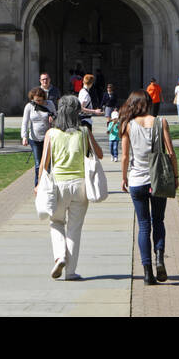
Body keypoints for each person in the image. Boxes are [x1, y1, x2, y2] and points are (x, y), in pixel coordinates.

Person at [37, 94, 104, 281]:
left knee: (56, 222)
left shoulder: (51, 134)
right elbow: (99, 154)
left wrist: (38, 184)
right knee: (75, 228)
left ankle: (60, 256)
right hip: (80, 186)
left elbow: (44, 163)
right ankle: (71, 271)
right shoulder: (83, 132)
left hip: (58, 184)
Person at [119, 89, 179, 286]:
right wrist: (175, 176)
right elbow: (170, 152)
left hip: (137, 180)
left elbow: (126, 156)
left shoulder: (127, 125)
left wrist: (124, 178)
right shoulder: (161, 122)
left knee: (143, 225)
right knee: (158, 220)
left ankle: (147, 273)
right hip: (158, 180)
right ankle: (160, 257)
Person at [21, 85, 55, 186]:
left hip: (47, 137)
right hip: (34, 138)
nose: (38, 102)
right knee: (38, 164)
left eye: (40, 100)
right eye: (36, 100)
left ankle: (49, 184)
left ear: (44, 98)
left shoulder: (50, 104)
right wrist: (24, 137)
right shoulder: (29, 106)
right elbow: (25, 122)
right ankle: (38, 185)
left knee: (48, 163)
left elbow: (56, 115)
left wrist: (52, 118)